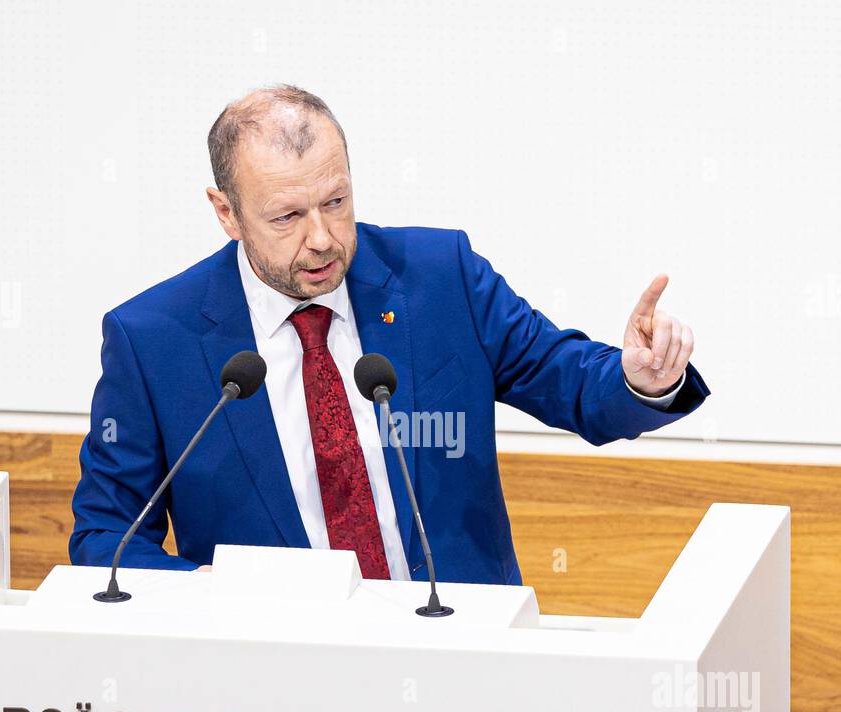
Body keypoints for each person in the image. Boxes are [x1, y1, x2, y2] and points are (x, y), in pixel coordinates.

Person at [70, 84, 710, 586]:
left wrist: (638, 379)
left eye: (336, 201)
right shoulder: (152, 340)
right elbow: (104, 538)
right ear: (226, 213)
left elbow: (568, 380)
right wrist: (207, 591)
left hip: (458, 661)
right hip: (273, 701)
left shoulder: (440, 278)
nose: (321, 238)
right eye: (288, 216)